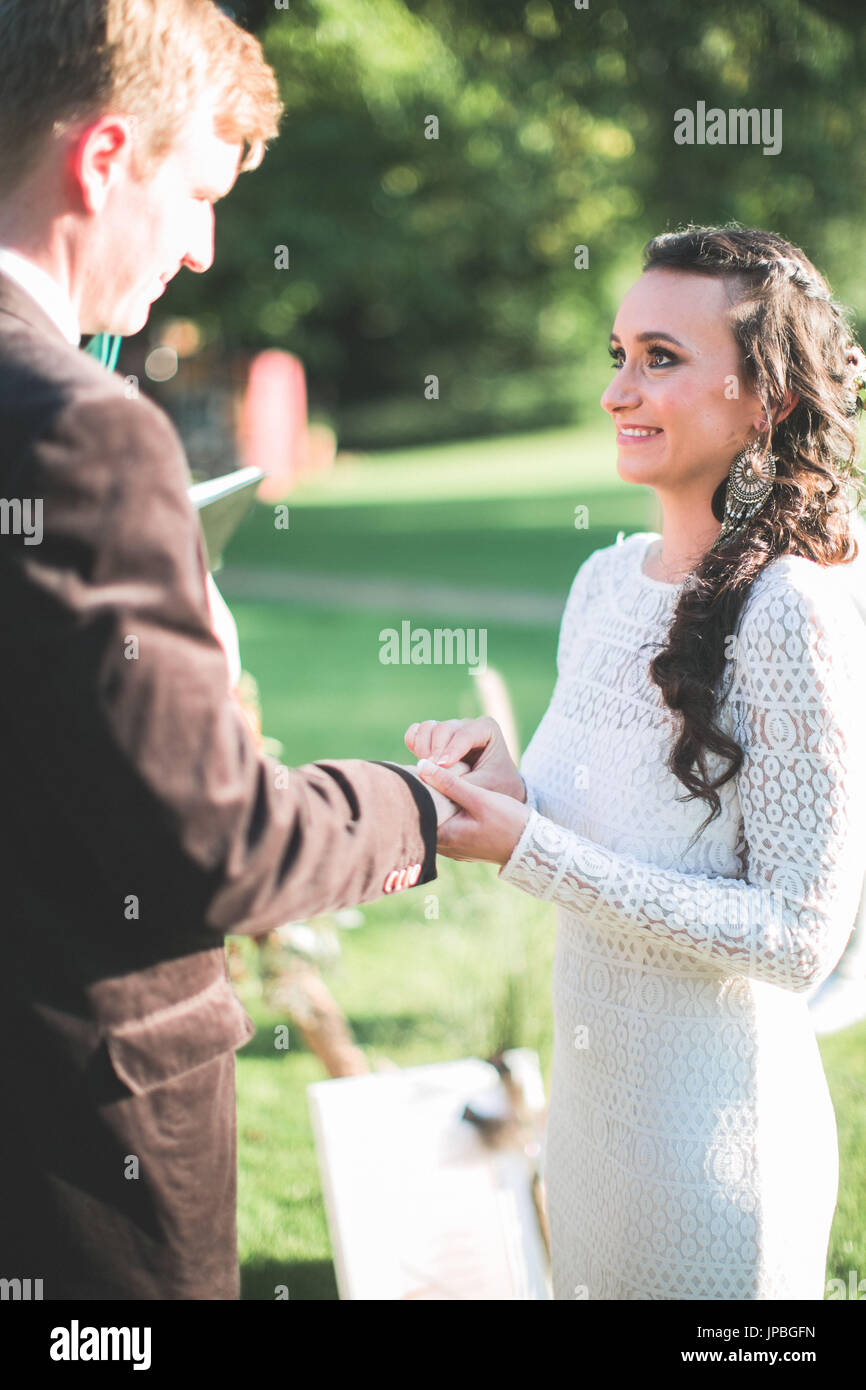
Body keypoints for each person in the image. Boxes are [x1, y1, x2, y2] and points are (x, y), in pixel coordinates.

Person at [0, 0, 460, 1300]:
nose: (203, 248)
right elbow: (217, 849)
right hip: (70, 1145)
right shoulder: (78, 430)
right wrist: (420, 806)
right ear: (104, 158)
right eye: (197, 194)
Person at [407, 226, 866, 1299]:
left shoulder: (790, 611)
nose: (619, 391)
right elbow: (604, 831)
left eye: (661, 358)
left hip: (718, 1161)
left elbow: (798, 937)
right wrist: (506, 791)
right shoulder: (603, 583)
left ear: (765, 401)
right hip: (588, 1143)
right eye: (617, 355)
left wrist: (530, 850)